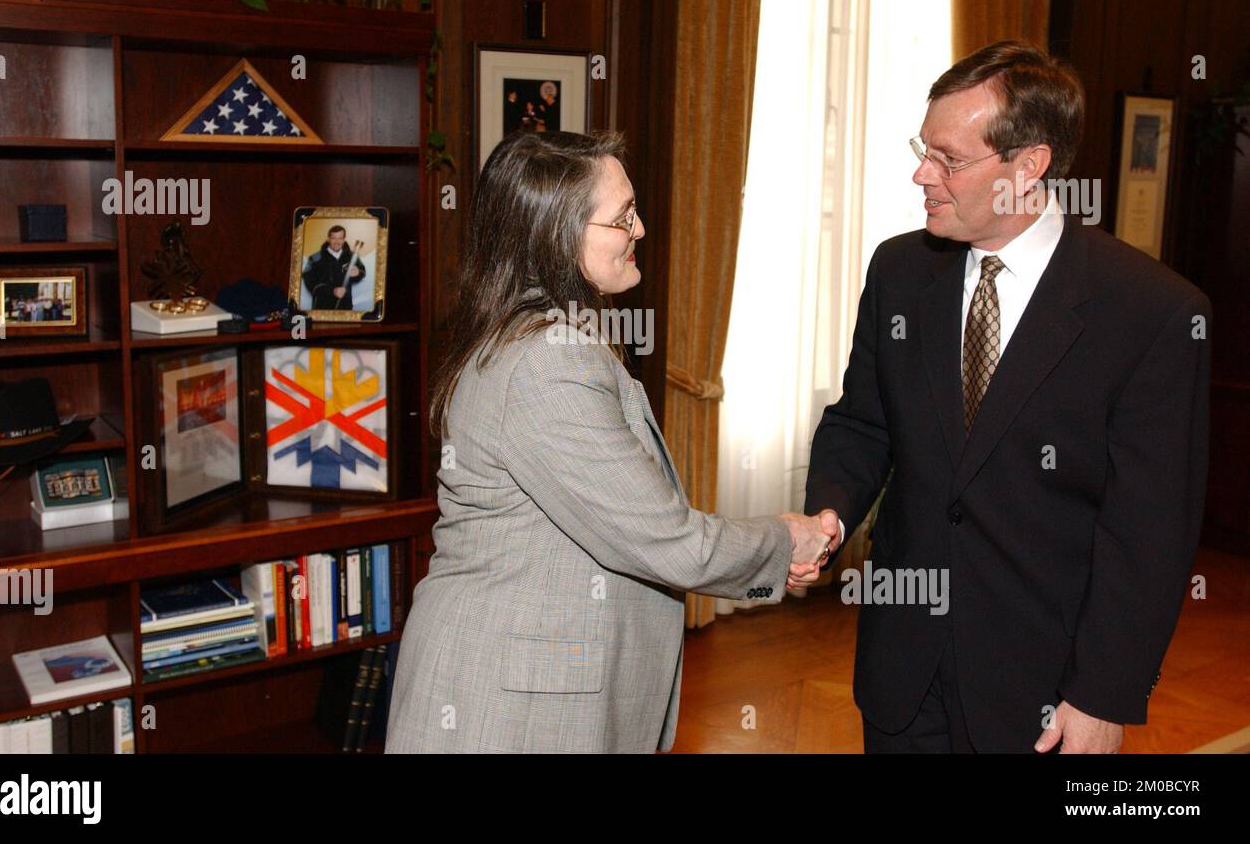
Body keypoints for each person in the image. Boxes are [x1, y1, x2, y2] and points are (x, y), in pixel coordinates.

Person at [795, 41, 1211, 753]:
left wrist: (1103, 692)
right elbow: (863, 423)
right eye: (923, 148)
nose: (922, 173)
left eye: (949, 159)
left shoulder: (1151, 313)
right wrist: (828, 516)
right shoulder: (899, 271)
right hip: (902, 675)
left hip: (1044, 694)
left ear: (1029, 167)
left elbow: (1149, 531)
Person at [386, 130, 831, 753]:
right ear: (557, 235)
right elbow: (665, 540)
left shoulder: (536, 335)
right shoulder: (548, 363)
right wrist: (788, 541)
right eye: (622, 217)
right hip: (507, 705)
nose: (641, 228)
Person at [302, 225, 365, 309]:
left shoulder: (352, 256)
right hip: (322, 306)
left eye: (340, 238)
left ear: (344, 239)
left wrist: (358, 273)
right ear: (328, 239)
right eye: (333, 238)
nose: (337, 242)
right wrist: (332, 291)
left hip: (345, 306)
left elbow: (362, 272)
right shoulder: (315, 258)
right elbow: (308, 281)